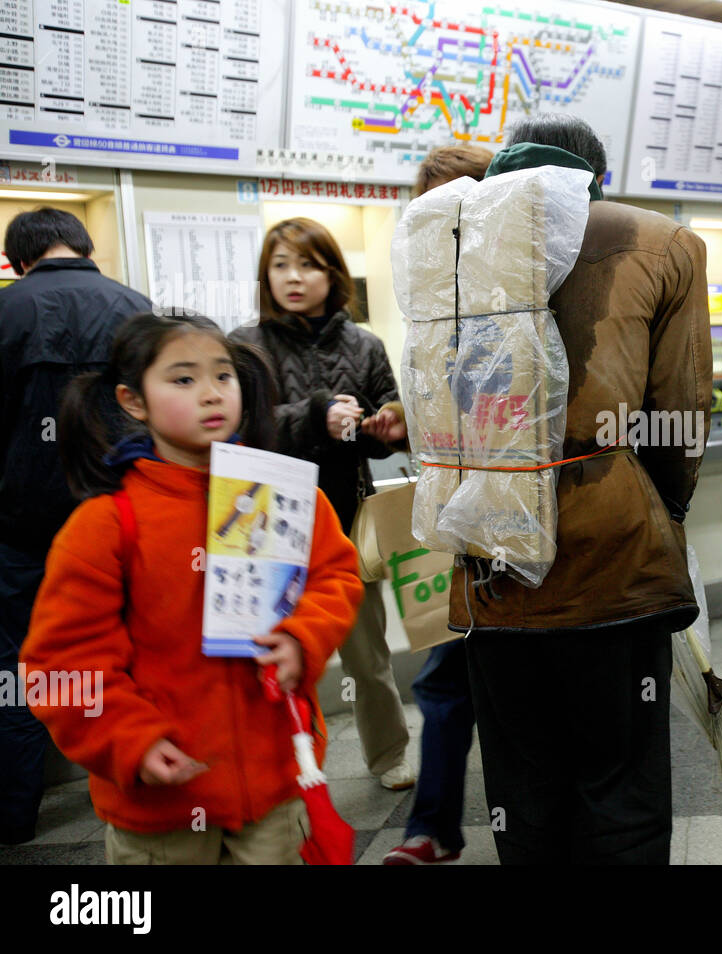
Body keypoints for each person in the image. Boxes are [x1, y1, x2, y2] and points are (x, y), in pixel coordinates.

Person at [442, 114, 711, 864]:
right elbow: (681, 411)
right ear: (598, 174)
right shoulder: (663, 241)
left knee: (523, 790)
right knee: (618, 783)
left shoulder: (453, 233)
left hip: (489, 552)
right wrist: (663, 510)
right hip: (611, 559)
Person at [20, 311, 362, 863]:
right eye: (183, 379)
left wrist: (305, 636)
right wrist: (131, 739)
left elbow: (334, 575)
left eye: (222, 376)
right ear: (134, 401)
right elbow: (60, 664)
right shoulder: (109, 523)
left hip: (277, 790)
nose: (211, 394)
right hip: (163, 811)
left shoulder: (282, 494)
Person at [230, 219, 416, 791]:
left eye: (308, 265)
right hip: (266, 525)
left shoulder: (363, 344)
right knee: (275, 658)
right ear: (266, 274)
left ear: (332, 275)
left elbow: (388, 419)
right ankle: (279, 765)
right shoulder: (245, 346)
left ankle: (388, 754)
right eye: (281, 264)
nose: (293, 277)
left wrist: (389, 425)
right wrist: (314, 415)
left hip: (343, 521)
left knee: (369, 656)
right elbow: (240, 434)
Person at [0, 208, 151, 845]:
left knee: (17, 664)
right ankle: (132, 790)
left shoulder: (7, 312)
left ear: (17, 259)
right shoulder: (135, 307)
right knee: (128, 650)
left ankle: (13, 815)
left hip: (18, 526)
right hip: (118, 517)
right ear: (85, 245)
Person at [384, 143, 494, 866]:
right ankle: (431, 828)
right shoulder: (427, 304)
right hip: (450, 521)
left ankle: (534, 827)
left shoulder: (528, 289)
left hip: (527, 523)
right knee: (444, 677)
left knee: (515, 683)